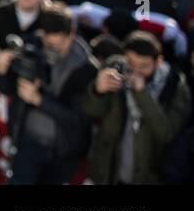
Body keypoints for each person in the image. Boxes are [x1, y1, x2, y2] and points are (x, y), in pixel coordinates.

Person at [0, 2, 96, 184]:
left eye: (57, 46)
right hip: (27, 144)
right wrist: (2, 70)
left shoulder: (86, 69)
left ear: (70, 36)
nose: (51, 50)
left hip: (63, 152)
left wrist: (39, 100)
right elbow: (6, 88)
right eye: (47, 43)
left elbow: (78, 120)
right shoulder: (31, 49)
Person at [82, 31, 191, 184]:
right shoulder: (115, 68)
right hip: (108, 169)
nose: (136, 72)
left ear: (158, 61)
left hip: (147, 173)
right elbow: (91, 111)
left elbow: (166, 133)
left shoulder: (175, 86)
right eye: (132, 65)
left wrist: (141, 93)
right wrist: (97, 90)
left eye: (144, 66)